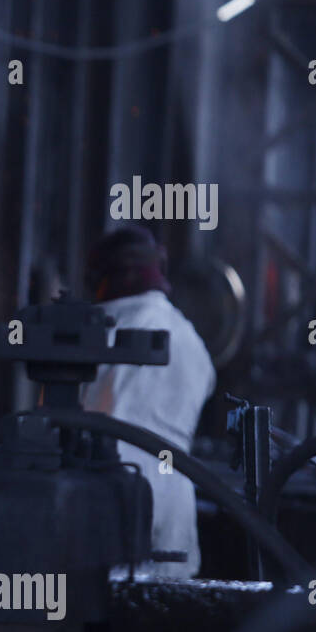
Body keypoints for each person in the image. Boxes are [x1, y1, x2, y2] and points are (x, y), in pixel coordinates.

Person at [81, 225, 215, 578]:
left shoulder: (101, 331)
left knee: (95, 614)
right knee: (160, 622)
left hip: (114, 493)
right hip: (174, 502)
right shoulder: (192, 340)